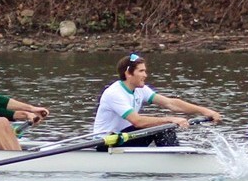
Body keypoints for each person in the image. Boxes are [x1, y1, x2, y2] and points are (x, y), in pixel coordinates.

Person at [90, 53, 222, 147]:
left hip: (125, 137)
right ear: (128, 73)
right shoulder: (114, 93)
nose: (145, 75)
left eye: (145, 71)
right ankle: (174, 161)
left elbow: (171, 103)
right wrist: (171, 119)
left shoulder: (140, 89)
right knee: (163, 127)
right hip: (107, 142)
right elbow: (137, 121)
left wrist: (205, 111)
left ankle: (173, 156)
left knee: (163, 127)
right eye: (141, 71)